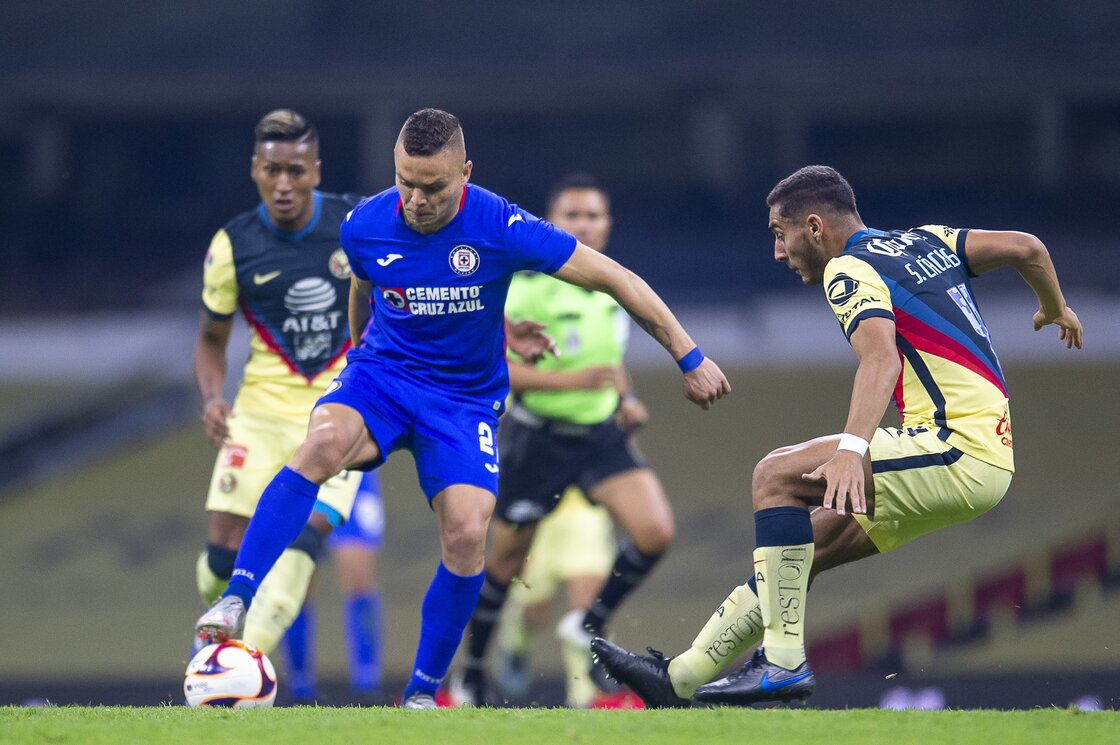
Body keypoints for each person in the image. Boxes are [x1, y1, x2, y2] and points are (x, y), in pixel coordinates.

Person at [193, 108, 731, 710]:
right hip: (382, 379)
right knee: (319, 444)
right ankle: (237, 597)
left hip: (462, 401)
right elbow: (363, 290)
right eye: (406, 183)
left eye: (434, 187)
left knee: (470, 532)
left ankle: (424, 692)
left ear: (465, 174)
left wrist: (690, 356)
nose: (417, 200)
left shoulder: (502, 225)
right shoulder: (364, 224)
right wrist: (356, 364)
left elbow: (615, 277)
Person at [592, 164, 1083, 707]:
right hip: (980, 454)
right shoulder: (928, 241)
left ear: (815, 227)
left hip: (954, 448)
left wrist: (852, 450)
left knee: (774, 475)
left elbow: (881, 359)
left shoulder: (847, 270)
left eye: (781, 234)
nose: (779, 251)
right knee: (808, 545)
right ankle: (680, 679)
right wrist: (1054, 307)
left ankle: (782, 664)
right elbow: (1028, 247)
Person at [452, 173, 672, 708]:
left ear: (607, 223)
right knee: (502, 567)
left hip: (599, 436)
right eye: (572, 216)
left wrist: (625, 399)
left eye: (593, 215)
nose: (584, 225)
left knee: (655, 532)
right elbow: (493, 369)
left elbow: (609, 359)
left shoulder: (614, 287)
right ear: (551, 225)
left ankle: (588, 622)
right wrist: (568, 383)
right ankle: (472, 673)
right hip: (537, 439)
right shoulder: (523, 286)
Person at [192, 109, 365, 657]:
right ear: (255, 172)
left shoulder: (355, 226)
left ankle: (245, 663)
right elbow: (211, 340)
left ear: (316, 170)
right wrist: (212, 396)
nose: (284, 184)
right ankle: (226, 635)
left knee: (304, 533)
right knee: (220, 562)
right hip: (259, 415)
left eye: (296, 170)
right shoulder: (233, 245)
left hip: (341, 411)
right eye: (273, 171)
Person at [490, 486, 615, 708]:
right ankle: (515, 646)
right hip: (536, 508)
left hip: (584, 508)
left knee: (588, 610)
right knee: (534, 610)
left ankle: (583, 699)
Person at [282, 469, 386, 703]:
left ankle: (367, 684)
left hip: (353, 472)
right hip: (306, 472)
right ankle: (300, 684)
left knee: (358, 577)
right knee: (300, 579)